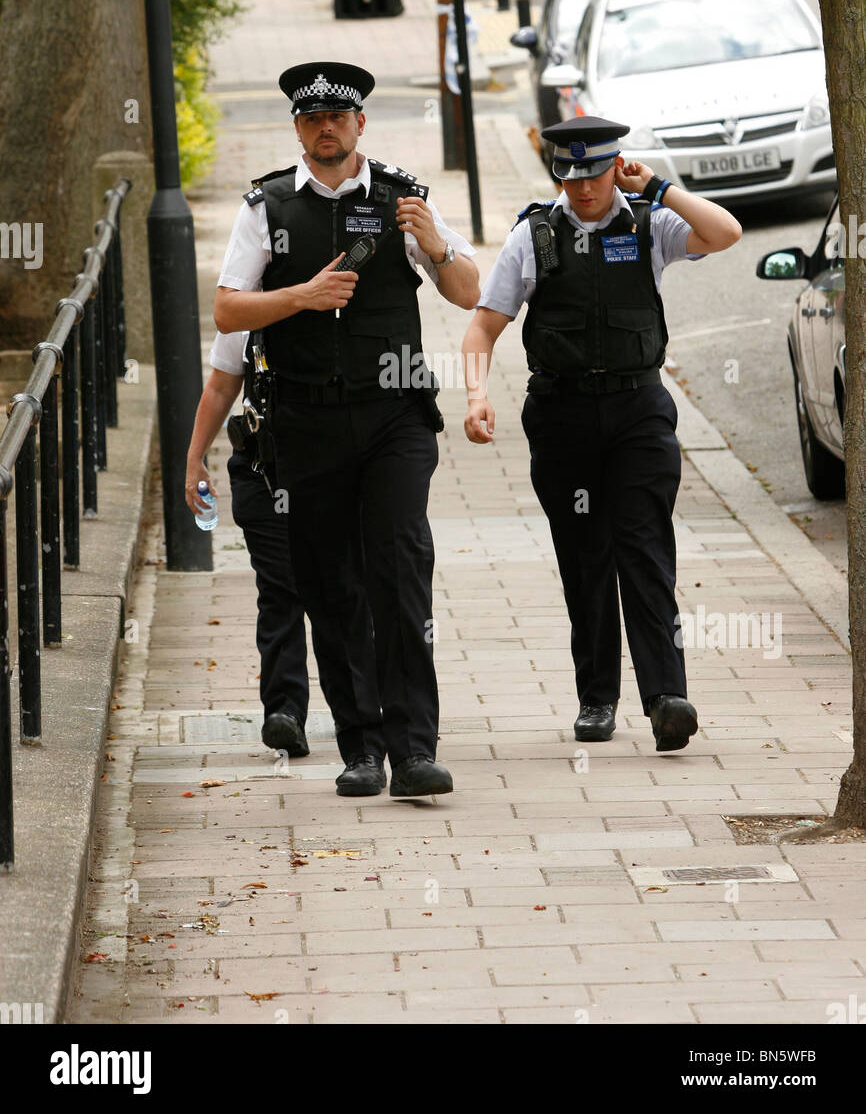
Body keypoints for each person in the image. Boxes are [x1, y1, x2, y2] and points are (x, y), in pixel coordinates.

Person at [213, 61, 480, 798]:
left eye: (337, 116)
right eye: (310, 118)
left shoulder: (403, 199)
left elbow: (469, 292)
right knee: (329, 585)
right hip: (305, 421)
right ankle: (360, 747)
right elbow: (228, 310)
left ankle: (414, 748)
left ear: (361, 123)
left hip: (393, 416)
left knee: (398, 572)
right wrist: (299, 296)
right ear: (298, 128)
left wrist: (436, 243)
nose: (324, 128)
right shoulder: (266, 206)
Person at [461, 116, 742, 752]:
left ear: (616, 166)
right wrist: (477, 395)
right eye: (569, 174)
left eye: (593, 173)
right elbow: (482, 328)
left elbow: (725, 232)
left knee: (643, 546)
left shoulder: (649, 222)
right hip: (561, 417)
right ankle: (597, 697)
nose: (582, 187)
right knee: (585, 553)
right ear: (555, 173)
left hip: (637, 408)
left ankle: (667, 696)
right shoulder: (534, 236)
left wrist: (662, 188)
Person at [185, 330, 317, 757]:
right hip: (264, 471)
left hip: (339, 469)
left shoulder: (349, 298)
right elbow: (223, 384)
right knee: (280, 590)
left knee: (345, 589)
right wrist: (194, 458)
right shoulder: (246, 303)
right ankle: (284, 712)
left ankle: (366, 710)